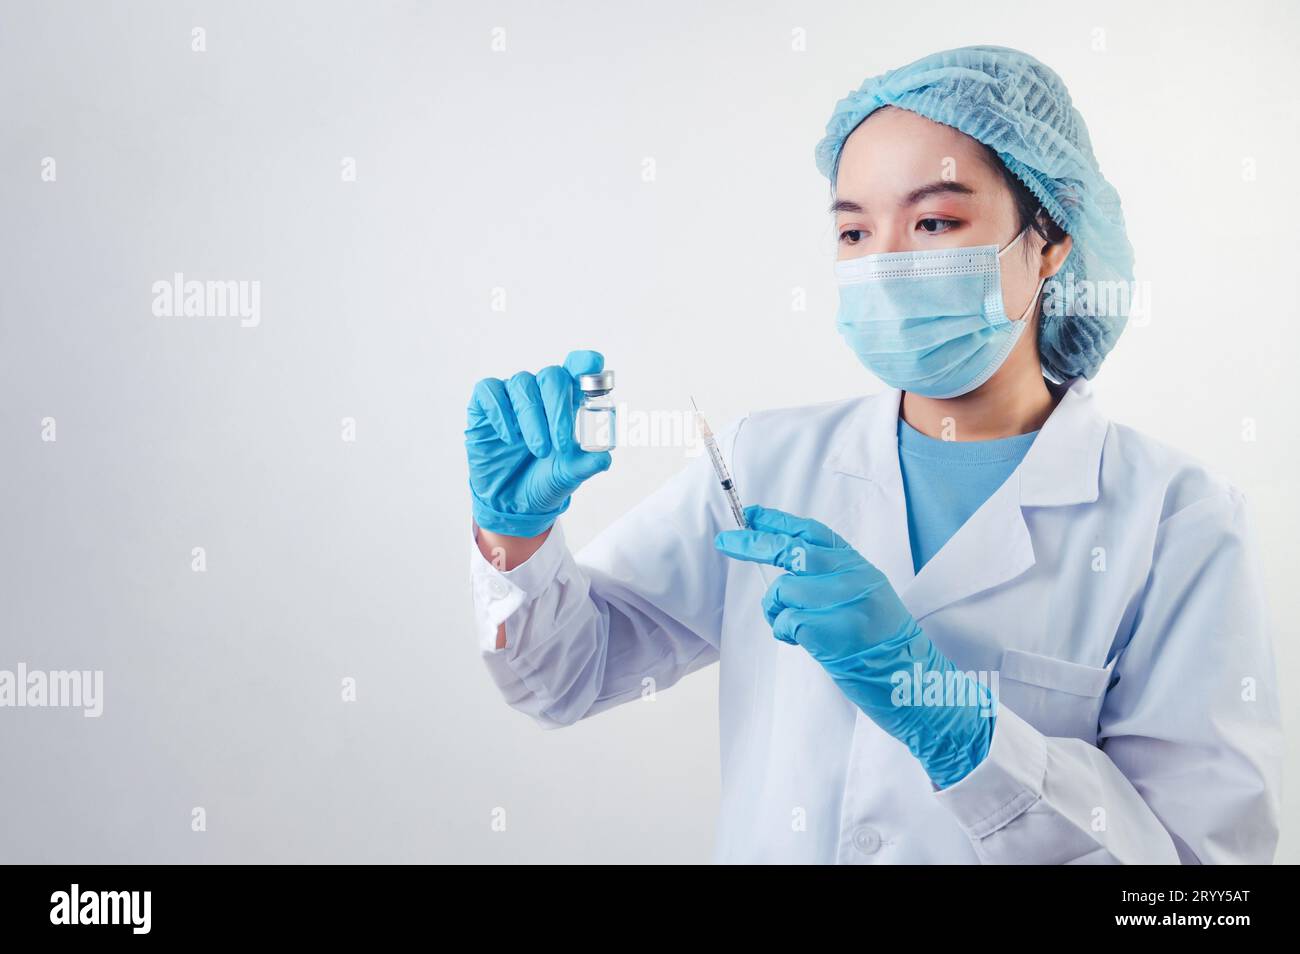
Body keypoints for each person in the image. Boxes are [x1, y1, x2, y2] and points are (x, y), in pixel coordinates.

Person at [463, 46, 1281, 864]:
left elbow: (1198, 887)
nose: (885, 264)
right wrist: (515, 535)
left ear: (1051, 240)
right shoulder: (764, 462)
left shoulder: (1177, 520)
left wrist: (960, 731)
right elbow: (564, 678)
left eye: (934, 221)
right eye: (855, 229)